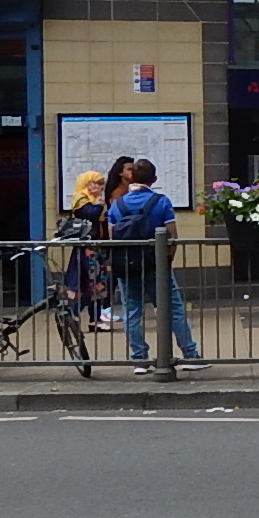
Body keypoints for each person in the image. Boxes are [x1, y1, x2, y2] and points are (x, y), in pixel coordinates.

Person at [105, 158, 205, 374]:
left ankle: (139, 360)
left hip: (127, 267)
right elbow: (173, 236)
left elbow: (112, 238)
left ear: (131, 177)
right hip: (156, 266)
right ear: (154, 179)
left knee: (132, 312)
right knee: (173, 310)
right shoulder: (161, 202)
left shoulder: (117, 205)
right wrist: (167, 263)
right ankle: (190, 355)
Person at [56, 169, 114, 329]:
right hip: (87, 249)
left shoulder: (95, 201)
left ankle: (91, 319)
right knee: (90, 282)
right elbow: (93, 214)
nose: (101, 187)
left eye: (102, 184)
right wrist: (98, 201)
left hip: (97, 247)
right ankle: (76, 316)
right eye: (97, 183)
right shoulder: (81, 201)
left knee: (93, 283)